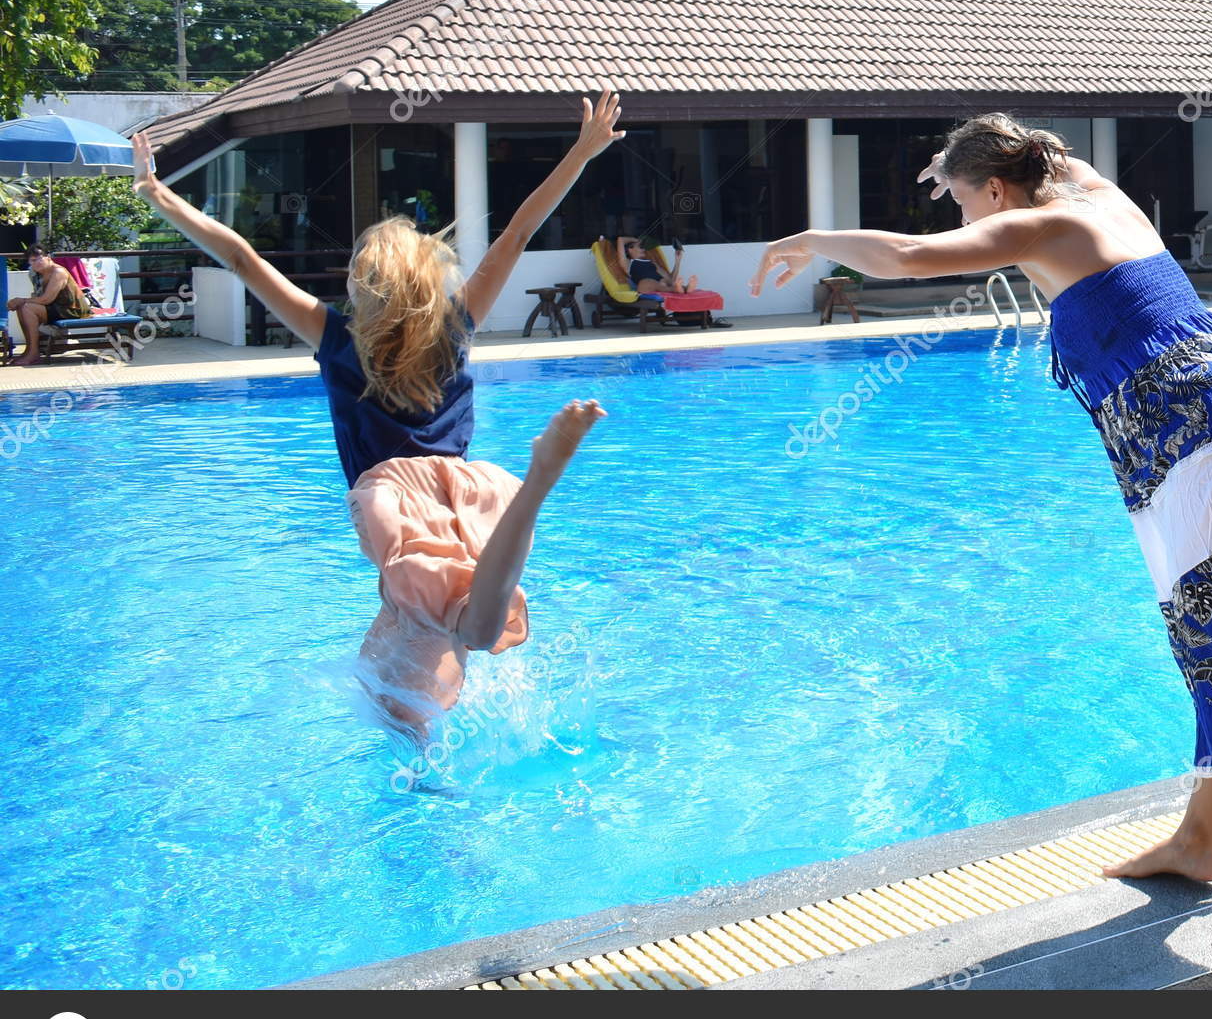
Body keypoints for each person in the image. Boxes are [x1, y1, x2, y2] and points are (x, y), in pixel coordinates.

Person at [750, 113, 1212, 969]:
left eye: (965, 202)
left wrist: (813, 236)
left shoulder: (1045, 224)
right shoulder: (1095, 193)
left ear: (998, 190)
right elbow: (1045, 155)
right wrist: (965, 160)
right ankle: (1197, 837)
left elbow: (911, 259)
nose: (966, 223)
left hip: (1206, 446)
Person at [128, 88, 628, 735]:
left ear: (363, 290)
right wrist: (582, 152)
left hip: (390, 494)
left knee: (452, 622)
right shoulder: (456, 326)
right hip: (462, 494)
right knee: (403, 629)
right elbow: (520, 232)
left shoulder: (336, 337)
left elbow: (242, 258)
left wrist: (159, 195)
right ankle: (423, 700)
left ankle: (425, 739)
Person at [6, 244, 89, 366]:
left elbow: (46, 299)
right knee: (22, 307)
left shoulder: (58, 272)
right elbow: (38, 297)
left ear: (48, 257)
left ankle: (34, 353)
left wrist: (21, 300)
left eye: (40, 258)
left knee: (27, 307)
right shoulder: (36, 274)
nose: (37, 262)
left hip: (72, 309)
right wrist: (20, 302)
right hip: (56, 307)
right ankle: (29, 350)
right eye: (33, 260)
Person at [617, 235, 696, 295]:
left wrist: (678, 261)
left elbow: (671, 280)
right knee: (647, 282)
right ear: (630, 249)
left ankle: (685, 288)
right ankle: (680, 289)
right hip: (645, 286)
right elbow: (620, 240)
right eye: (641, 247)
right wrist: (638, 240)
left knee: (664, 281)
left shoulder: (652, 263)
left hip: (663, 285)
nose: (644, 249)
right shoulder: (628, 263)